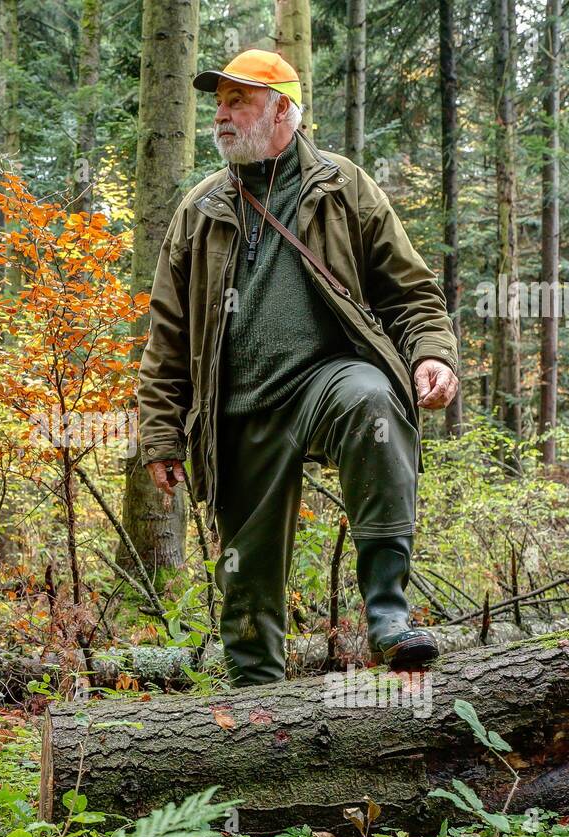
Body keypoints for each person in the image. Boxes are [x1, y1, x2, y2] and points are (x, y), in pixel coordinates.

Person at [136, 49, 460, 686]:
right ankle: (258, 718)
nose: (222, 117)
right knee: (246, 581)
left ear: (283, 109)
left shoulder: (341, 188)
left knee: (372, 399)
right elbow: (167, 334)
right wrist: (160, 433)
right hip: (236, 412)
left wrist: (431, 352)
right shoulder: (200, 211)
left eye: (239, 102)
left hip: (324, 382)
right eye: (219, 103)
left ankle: (389, 619)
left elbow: (410, 290)